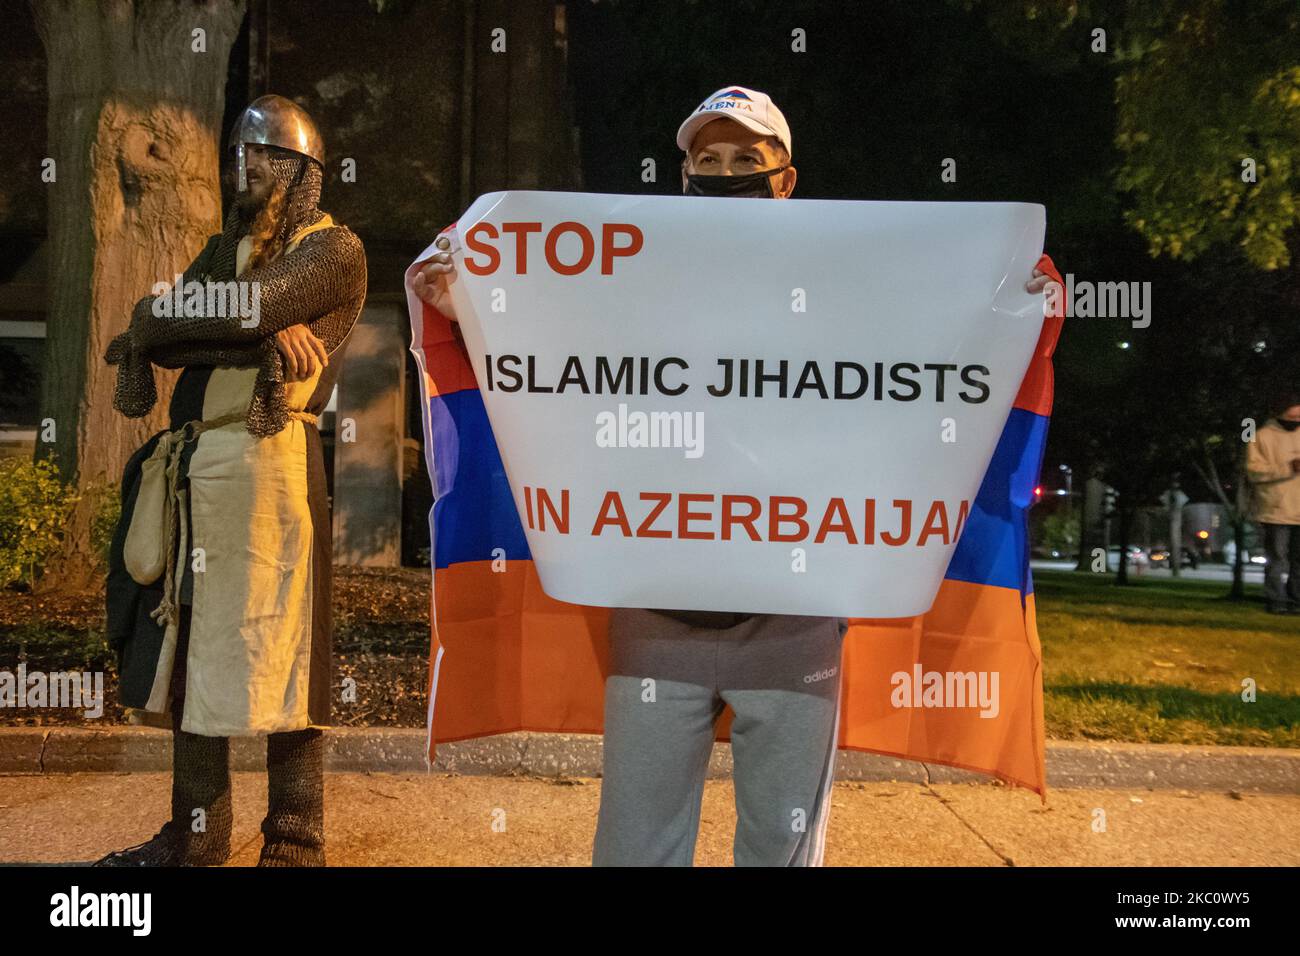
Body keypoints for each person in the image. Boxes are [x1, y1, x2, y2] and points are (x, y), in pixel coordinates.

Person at [410, 85, 1056, 865]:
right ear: (682, 174)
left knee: (780, 846)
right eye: (706, 159)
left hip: (794, 619)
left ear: (786, 177)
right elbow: (549, 352)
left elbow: (925, 349)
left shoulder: (845, 281)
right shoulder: (625, 279)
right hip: (657, 618)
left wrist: (1015, 297)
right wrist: (462, 293)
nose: (724, 171)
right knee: (635, 844)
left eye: (746, 159)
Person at [97, 94, 367, 866]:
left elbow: (226, 313)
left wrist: (213, 319)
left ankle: (293, 842)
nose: (244, 170)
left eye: (263, 158)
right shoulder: (224, 251)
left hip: (271, 467)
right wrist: (219, 322)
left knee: (284, 652)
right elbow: (159, 320)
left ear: (302, 169)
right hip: (197, 470)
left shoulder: (333, 248)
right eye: (239, 157)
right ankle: (196, 838)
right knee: (189, 655)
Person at [1247, 392, 1300, 614]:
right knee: (1276, 559)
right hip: (1275, 509)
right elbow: (1253, 472)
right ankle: (1276, 601)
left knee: (1298, 561)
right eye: (1292, 417)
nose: (1296, 422)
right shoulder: (1260, 436)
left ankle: (1296, 601)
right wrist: (1289, 468)